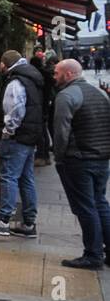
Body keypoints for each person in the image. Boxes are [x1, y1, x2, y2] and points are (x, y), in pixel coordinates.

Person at [51, 59, 110, 269]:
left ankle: (93, 255)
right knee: (100, 203)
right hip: (102, 157)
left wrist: (59, 157)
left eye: (57, 73)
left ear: (68, 74)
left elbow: (61, 132)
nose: (54, 76)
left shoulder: (66, 96)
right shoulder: (100, 93)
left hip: (79, 159)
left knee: (86, 207)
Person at [0, 50, 44, 238]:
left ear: (5, 63)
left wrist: (7, 132)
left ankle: (3, 221)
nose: (0, 67)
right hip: (31, 136)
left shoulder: (15, 82)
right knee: (26, 178)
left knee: (9, 176)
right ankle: (29, 223)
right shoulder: (32, 78)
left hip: (17, 137)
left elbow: (15, 111)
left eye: (2, 63)